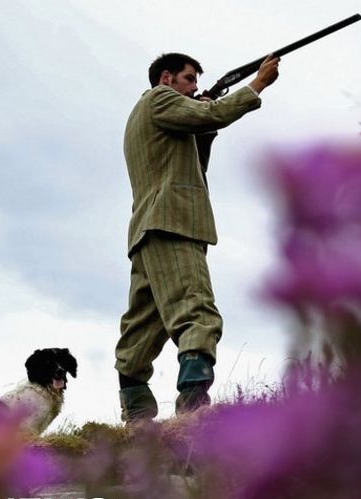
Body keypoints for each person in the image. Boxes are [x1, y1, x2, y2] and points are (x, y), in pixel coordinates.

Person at [115, 51, 281, 422]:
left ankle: (137, 420)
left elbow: (193, 163)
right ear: (165, 79)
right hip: (174, 224)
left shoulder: (146, 116)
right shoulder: (159, 99)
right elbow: (210, 114)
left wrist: (206, 127)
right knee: (197, 313)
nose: (194, 87)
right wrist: (257, 84)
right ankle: (193, 414)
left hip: (147, 232)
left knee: (140, 333)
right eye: (188, 79)